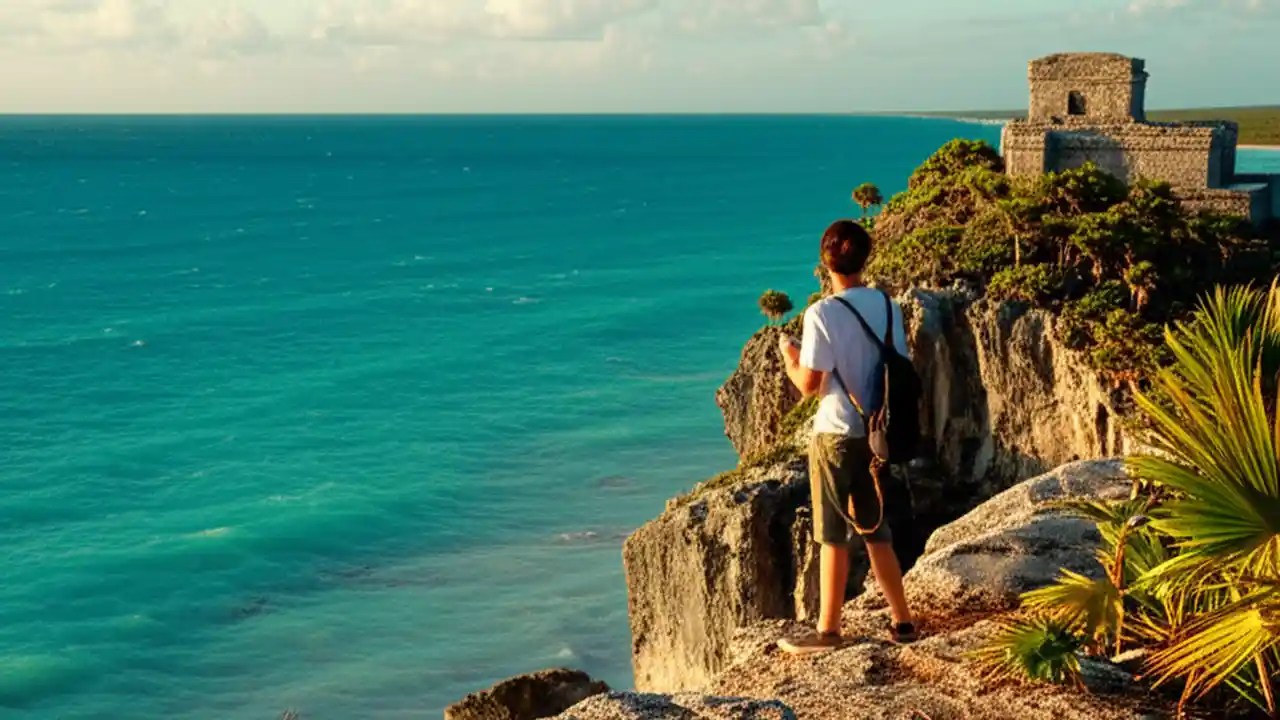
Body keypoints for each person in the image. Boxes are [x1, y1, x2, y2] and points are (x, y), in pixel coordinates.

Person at [775, 219, 917, 654]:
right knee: (876, 527)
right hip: (877, 431)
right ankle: (903, 620)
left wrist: (788, 355)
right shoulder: (888, 306)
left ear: (826, 262)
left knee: (831, 531)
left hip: (836, 432)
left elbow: (810, 384)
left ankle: (829, 630)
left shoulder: (822, 313)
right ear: (865, 258)